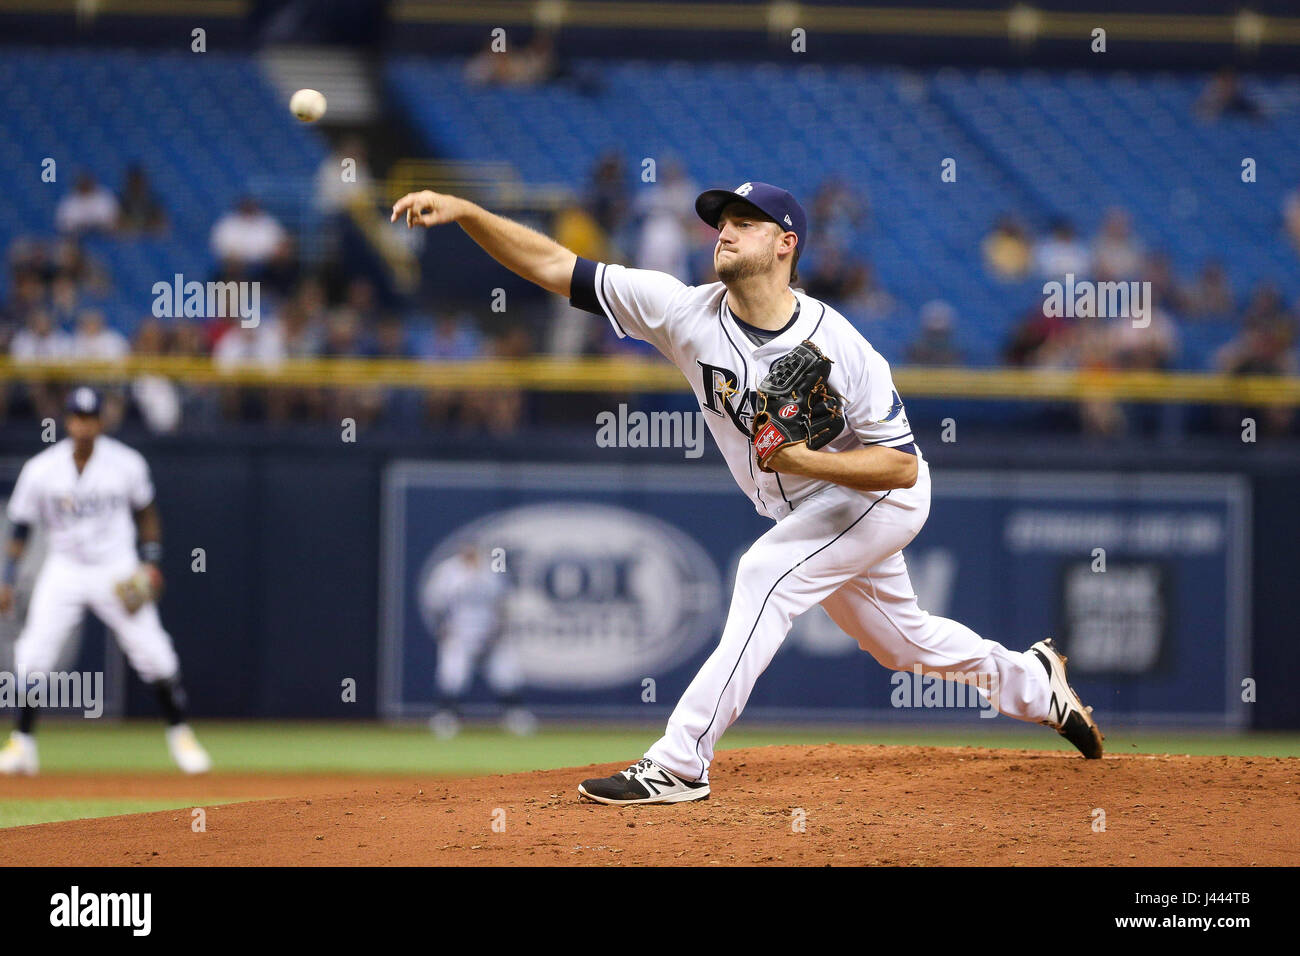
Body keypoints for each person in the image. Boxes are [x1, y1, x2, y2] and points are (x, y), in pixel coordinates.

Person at [391, 179, 1105, 805]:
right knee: (903, 645)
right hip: (808, 507)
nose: (723, 230)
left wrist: (805, 459)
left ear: (785, 243)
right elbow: (555, 266)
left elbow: (902, 469)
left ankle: (679, 763)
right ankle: (1034, 682)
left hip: (876, 497)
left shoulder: (841, 346)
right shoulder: (681, 311)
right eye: (719, 220)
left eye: (744, 221)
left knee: (764, 573)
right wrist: (467, 212)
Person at [0, 387, 210, 775]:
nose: (83, 425)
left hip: (117, 568)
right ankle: (22, 744)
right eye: (77, 417)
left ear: (101, 421)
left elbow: (147, 513)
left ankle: (181, 736)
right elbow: (20, 528)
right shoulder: (41, 468)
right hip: (64, 568)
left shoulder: (126, 464)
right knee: (32, 657)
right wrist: (7, 579)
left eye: (90, 417)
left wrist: (150, 563)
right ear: (68, 421)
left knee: (155, 654)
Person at [421, 543, 533, 738]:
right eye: (467, 548)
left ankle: (515, 716)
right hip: (460, 632)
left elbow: (504, 602)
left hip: (489, 631)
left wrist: (499, 629)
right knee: (453, 674)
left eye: (474, 548)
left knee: (505, 674)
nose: (470, 551)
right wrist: (442, 628)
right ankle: (446, 717)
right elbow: (435, 602)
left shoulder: (493, 568)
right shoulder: (448, 571)